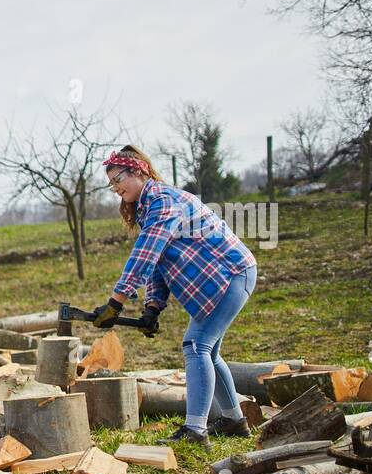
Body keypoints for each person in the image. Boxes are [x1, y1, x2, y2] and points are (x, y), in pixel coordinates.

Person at [91, 145, 257, 449]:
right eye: (111, 183)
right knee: (208, 350)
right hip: (213, 282)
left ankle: (195, 430)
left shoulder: (163, 201)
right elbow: (158, 264)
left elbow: (146, 254)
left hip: (229, 274)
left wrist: (116, 301)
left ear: (138, 171)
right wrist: (152, 307)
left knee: (196, 345)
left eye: (118, 179)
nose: (115, 188)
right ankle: (234, 421)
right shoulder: (149, 209)